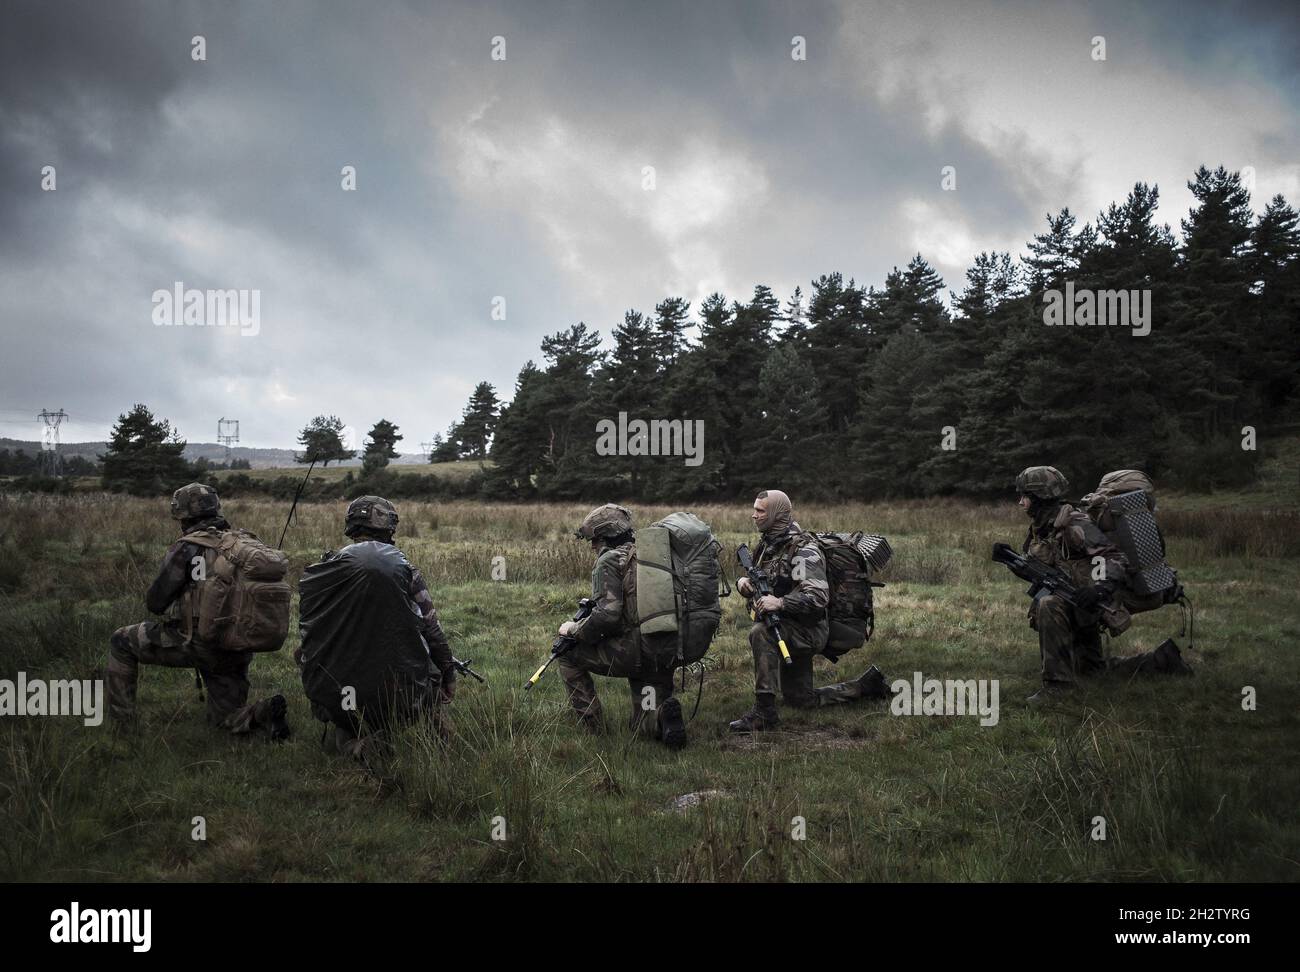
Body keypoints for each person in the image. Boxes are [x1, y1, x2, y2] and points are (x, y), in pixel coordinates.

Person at [106, 483, 290, 739]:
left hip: (196, 642)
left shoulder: (187, 547)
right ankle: (261, 713)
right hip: (236, 646)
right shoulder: (244, 544)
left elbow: (155, 603)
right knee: (224, 720)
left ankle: (121, 727)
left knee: (121, 641)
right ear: (216, 508)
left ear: (182, 515)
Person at [1013, 466, 1192, 703]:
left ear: (1038, 497)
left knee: (1049, 604)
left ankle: (1058, 688)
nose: (1020, 502)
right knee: (1090, 671)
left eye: (1024, 496)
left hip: (1102, 595)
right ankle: (1162, 660)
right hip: (1082, 596)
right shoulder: (1047, 524)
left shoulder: (1074, 523)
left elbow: (1114, 557)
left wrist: (1100, 589)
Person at [297, 495, 456, 759]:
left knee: (345, 733)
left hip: (339, 687)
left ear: (352, 525)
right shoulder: (405, 570)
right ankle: (442, 746)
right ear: (389, 527)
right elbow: (432, 631)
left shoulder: (326, 568)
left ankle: (361, 745)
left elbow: (311, 630)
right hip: (399, 690)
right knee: (429, 676)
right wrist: (447, 672)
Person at [729, 489, 890, 732]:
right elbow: (771, 582)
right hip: (787, 626)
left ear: (777, 514)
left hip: (808, 630)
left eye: (760, 511)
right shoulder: (768, 546)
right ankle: (866, 686)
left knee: (760, 633)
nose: (754, 515)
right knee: (800, 700)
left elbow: (817, 597)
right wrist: (745, 585)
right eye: (755, 510)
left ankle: (764, 713)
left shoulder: (804, 550)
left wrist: (780, 603)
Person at [556, 503, 687, 749]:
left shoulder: (608, 561)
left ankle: (593, 729)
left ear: (607, 538)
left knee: (567, 655)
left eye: (596, 540)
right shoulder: (653, 554)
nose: (593, 546)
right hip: (665, 648)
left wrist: (573, 630)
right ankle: (660, 717)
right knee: (641, 726)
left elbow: (608, 616)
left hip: (635, 651)